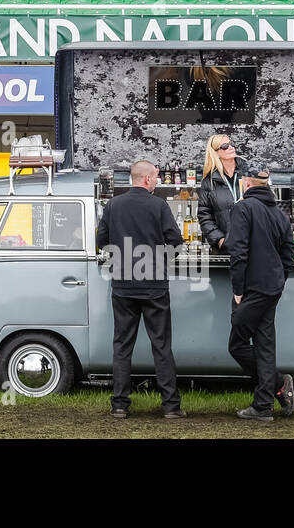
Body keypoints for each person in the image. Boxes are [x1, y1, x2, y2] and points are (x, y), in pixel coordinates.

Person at [95, 158, 185, 420]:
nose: (157, 180)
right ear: (147, 179)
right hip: (155, 285)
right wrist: (160, 261)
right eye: (156, 176)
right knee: (162, 346)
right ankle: (170, 406)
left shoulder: (113, 205)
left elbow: (102, 240)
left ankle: (120, 405)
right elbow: (176, 242)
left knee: (122, 346)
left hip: (123, 285)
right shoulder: (158, 205)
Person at [227, 160, 294, 421]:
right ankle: (264, 404)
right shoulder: (279, 214)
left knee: (237, 344)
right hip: (272, 288)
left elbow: (239, 251)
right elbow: (289, 255)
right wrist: (279, 279)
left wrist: (238, 289)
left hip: (252, 288)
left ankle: (277, 385)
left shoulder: (242, 208)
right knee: (265, 346)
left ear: (245, 183)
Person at [197, 134, 246, 251]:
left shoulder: (248, 173)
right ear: (216, 152)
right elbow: (204, 215)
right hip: (227, 247)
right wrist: (220, 240)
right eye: (225, 146)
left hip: (253, 243)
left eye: (232, 144)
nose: (231, 147)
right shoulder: (209, 181)